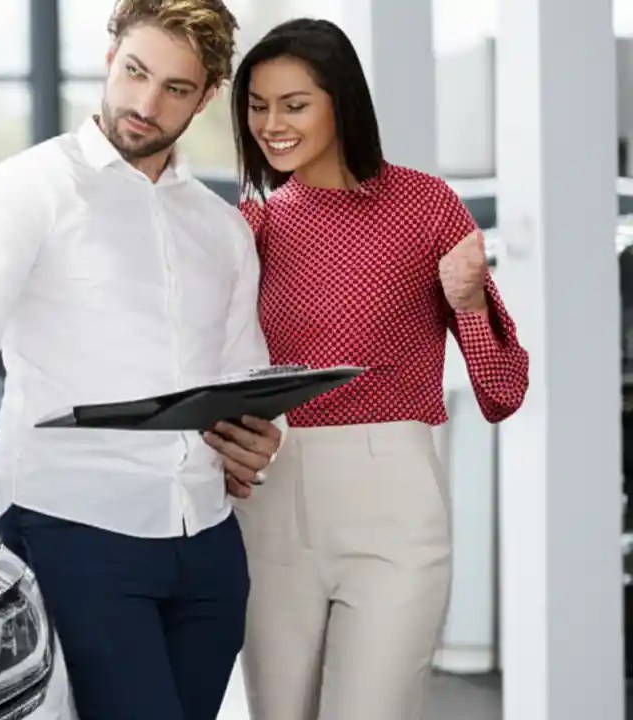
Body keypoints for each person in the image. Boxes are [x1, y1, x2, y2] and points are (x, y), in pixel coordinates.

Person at [0, 1, 282, 717]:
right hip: (77, 531)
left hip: (207, 544)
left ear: (205, 99)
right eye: (136, 72)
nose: (145, 103)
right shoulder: (28, 188)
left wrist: (265, 434)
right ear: (110, 60)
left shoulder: (222, 228)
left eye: (176, 88)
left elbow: (244, 369)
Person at [225, 17, 530, 720]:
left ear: (342, 101)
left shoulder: (426, 207)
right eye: (258, 104)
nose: (272, 124)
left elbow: (503, 392)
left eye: (294, 103)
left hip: (394, 504)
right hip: (272, 501)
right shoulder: (254, 226)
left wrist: (470, 305)